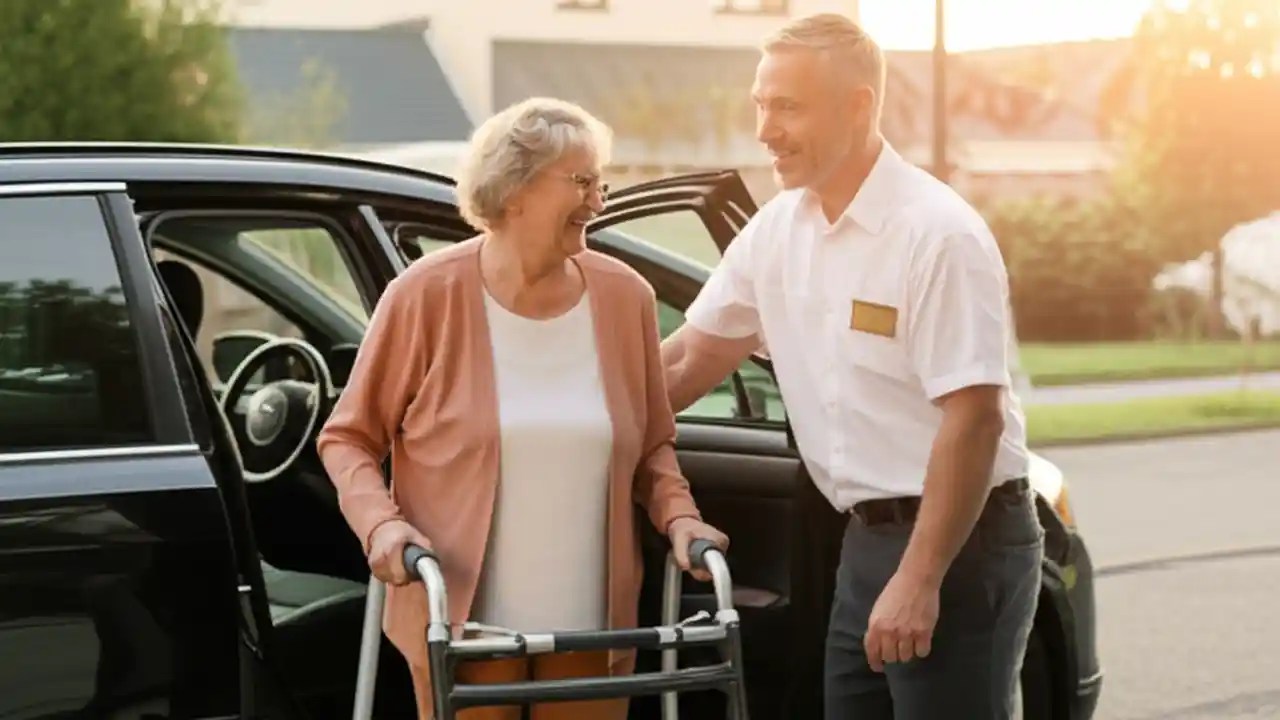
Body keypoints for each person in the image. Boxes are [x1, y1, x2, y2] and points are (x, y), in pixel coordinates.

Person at [661, 14, 1041, 720]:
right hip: (864, 541)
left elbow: (975, 415)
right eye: (761, 105)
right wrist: (564, 421)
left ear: (859, 105)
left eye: (788, 106)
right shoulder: (777, 230)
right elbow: (686, 358)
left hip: (958, 541)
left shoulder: (936, 233)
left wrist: (920, 577)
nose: (765, 129)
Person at [317, 96, 729, 720]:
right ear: (514, 191)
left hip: (594, 625)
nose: (598, 202)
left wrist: (681, 518)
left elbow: (651, 446)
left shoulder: (625, 299)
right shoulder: (426, 296)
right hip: (464, 622)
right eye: (582, 182)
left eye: (601, 183)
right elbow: (348, 438)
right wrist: (382, 525)